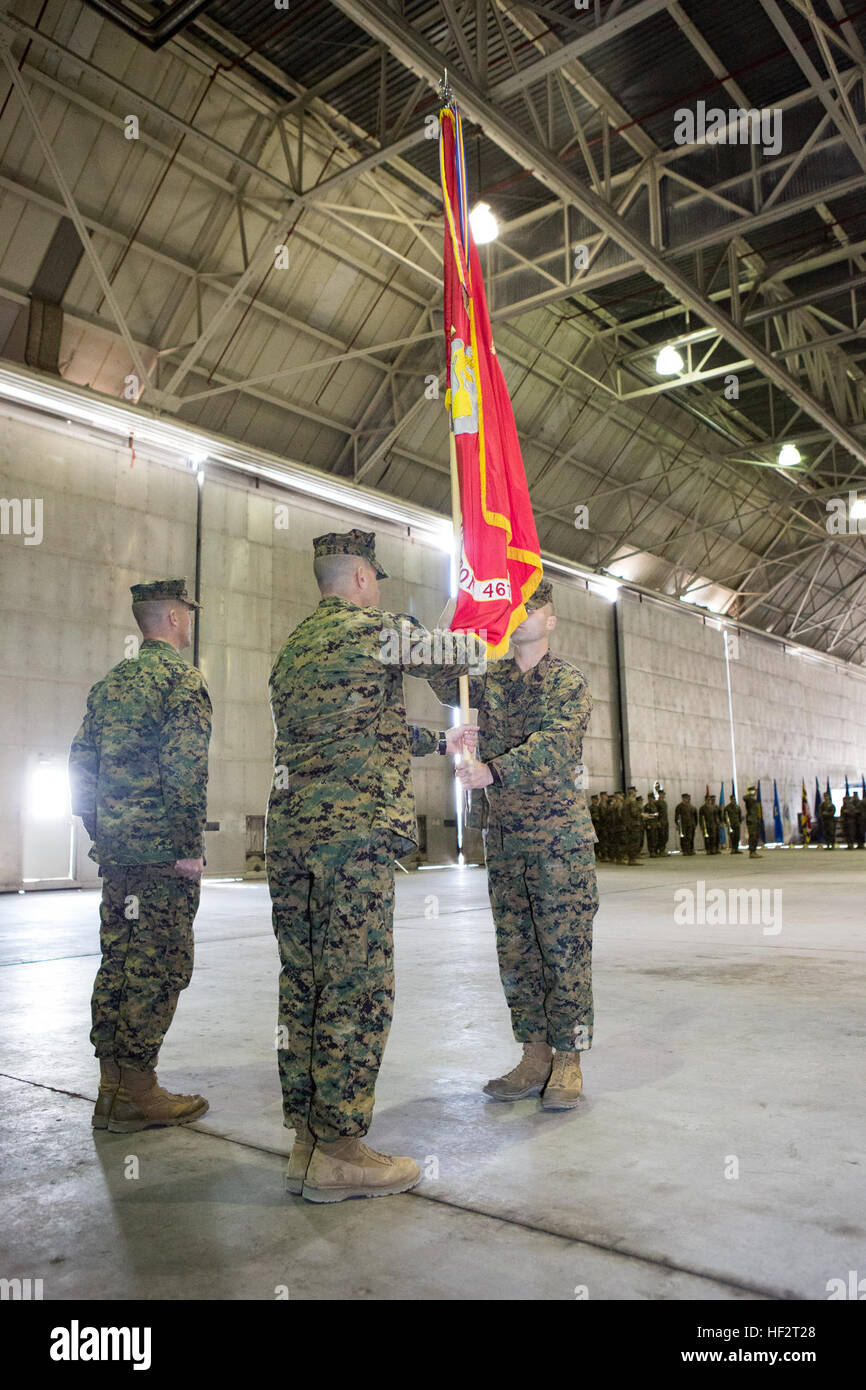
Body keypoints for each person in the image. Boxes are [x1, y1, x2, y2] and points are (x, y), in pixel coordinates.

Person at [267, 529, 477, 1203]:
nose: (378, 589)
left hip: (294, 840)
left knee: (305, 987)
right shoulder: (380, 631)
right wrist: (479, 618)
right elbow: (461, 661)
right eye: (376, 579)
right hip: (350, 841)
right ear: (361, 579)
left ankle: (307, 1139)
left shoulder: (293, 649)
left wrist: (439, 741)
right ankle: (342, 1150)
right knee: (356, 987)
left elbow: (359, 726)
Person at [428, 579, 597, 1112]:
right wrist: (454, 613)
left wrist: (493, 771)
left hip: (558, 841)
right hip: (505, 840)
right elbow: (440, 679)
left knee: (564, 949)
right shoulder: (491, 677)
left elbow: (554, 746)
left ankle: (569, 1058)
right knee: (517, 951)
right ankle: (535, 1054)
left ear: (551, 621)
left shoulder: (567, 681)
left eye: (536, 605)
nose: (524, 610)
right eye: (517, 601)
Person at [68, 579, 211, 1133]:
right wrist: (187, 848)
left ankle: (111, 1087)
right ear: (174, 618)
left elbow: (80, 765)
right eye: (188, 613)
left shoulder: (112, 685)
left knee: (119, 959)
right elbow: (185, 772)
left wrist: (101, 829)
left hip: (120, 854)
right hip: (161, 857)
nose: (190, 620)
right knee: (160, 965)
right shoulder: (181, 682)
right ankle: (140, 1091)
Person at [743, 785, 762, 859]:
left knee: (756, 836)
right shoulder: (749, 799)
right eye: (754, 790)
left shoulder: (754, 800)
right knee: (752, 836)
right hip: (751, 820)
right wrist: (750, 793)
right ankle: (751, 852)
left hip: (756, 820)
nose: (756, 792)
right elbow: (744, 798)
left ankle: (754, 851)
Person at [643, 792, 660, 856]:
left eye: (653, 798)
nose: (652, 799)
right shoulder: (647, 806)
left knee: (655, 838)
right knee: (651, 838)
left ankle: (655, 850)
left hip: (655, 824)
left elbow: (656, 815)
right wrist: (648, 824)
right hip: (650, 824)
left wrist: (657, 822)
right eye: (650, 798)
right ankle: (651, 851)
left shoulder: (655, 805)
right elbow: (646, 816)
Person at [656, 789, 669, 855]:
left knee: (665, 837)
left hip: (665, 821)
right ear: (659, 794)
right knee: (661, 836)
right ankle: (660, 850)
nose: (663, 795)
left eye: (664, 794)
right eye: (662, 794)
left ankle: (663, 850)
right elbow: (656, 813)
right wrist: (658, 821)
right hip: (660, 822)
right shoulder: (657, 803)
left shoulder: (664, 802)